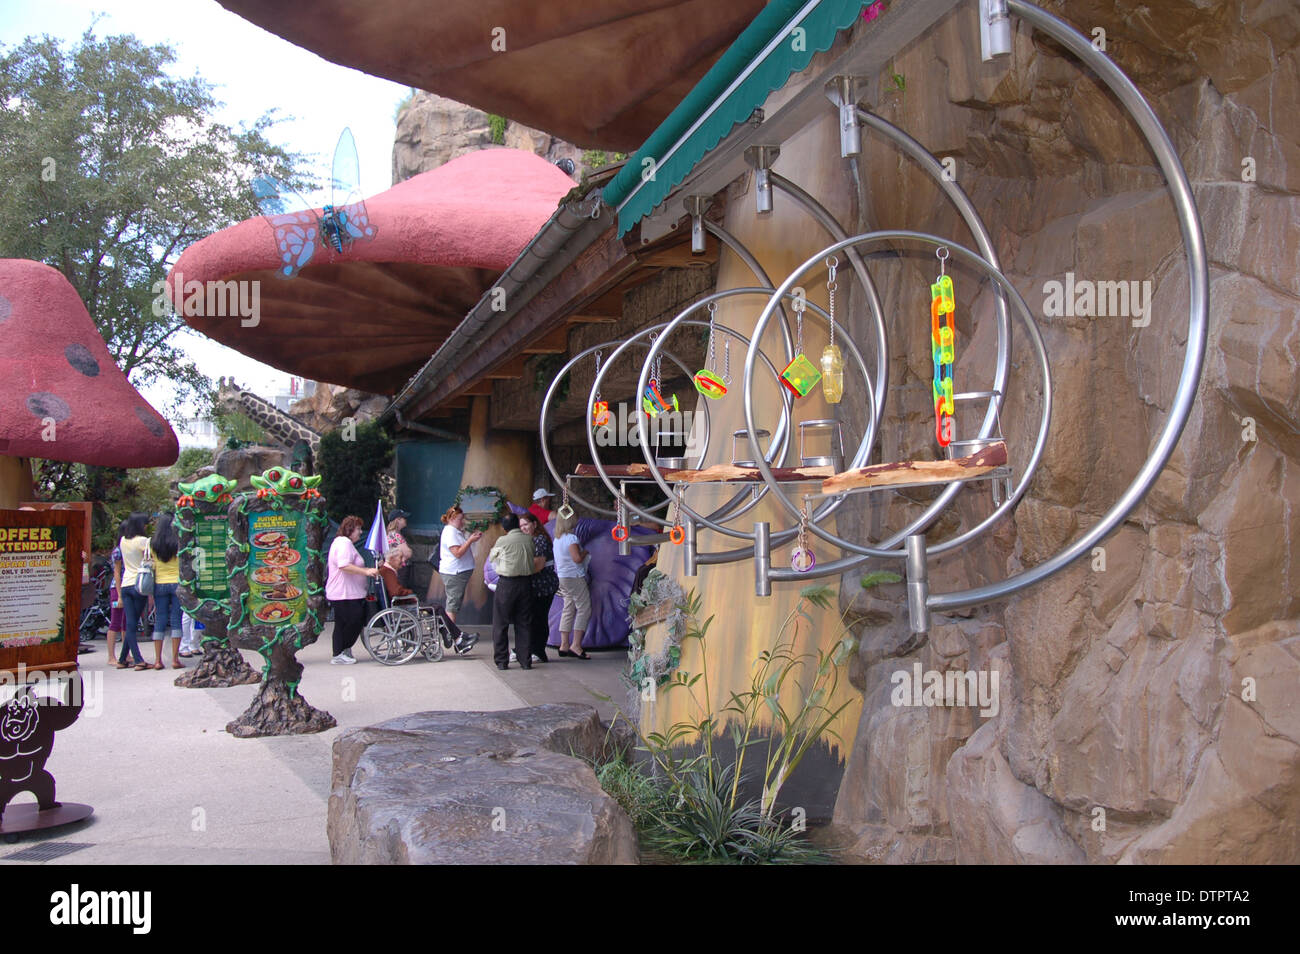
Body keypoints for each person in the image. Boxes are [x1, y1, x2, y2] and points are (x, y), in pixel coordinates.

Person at [378, 547, 478, 655]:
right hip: (403, 605)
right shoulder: (387, 572)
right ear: (392, 558)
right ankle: (458, 638)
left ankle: (456, 637)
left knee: (437, 608)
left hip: (403, 604)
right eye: (400, 558)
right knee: (437, 609)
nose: (403, 561)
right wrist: (409, 592)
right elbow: (395, 592)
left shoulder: (387, 571)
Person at [327, 515, 379, 665]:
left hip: (347, 592)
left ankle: (341, 650)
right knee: (354, 620)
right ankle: (341, 651)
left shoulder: (343, 543)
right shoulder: (344, 543)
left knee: (343, 622)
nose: (360, 532)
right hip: (344, 593)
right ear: (350, 529)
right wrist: (366, 572)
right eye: (358, 529)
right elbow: (344, 565)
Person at [487, 513, 535, 670]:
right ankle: (525, 660)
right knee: (524, 623)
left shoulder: (502, 540)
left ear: (505, 527)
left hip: (507, 584)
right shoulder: (529, 539)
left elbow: (493, 557)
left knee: (501, 623)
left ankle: (502, 661)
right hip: (526, 583)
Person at [517, 511, 557, 663]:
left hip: (543, 585)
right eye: (521, 526)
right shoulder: (531, 540)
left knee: (539, 618)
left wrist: (519, 571)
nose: (523, 528)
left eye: (526, 524)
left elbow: (538, 565)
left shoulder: (539, 540)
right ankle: (532, 648)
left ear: (534, 524)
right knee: (534, 618)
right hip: (536, 586)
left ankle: (538, 650)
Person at [553, 509, 592, 659]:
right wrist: (585, 552)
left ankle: (563, 644)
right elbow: (577, 558)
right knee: (584, 608)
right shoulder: (571, 538)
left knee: (568, 607)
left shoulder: (558, 538)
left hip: (563, 577)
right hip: (574, 576)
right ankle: (576, 645)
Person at [115, 512, 152, 670]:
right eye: (145, 524)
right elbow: (149, 561)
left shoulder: (123, 541)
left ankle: (122, 659)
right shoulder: (143, 541)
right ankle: (138, 660)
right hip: (139, 584)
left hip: (126, 584)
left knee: (131, 622)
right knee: (132, 624)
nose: (146, 526)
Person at [148, 513, 184, 670]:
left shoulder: (152, 543)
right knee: (176, 619)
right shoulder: (179, 541)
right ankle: (175, 659)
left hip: (159, 584)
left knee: (160, 620)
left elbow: (152, 565)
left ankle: (157, 660)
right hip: (176, 583)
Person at [438, 505, 482, 623]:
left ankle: (452, 632)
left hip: (458, 571)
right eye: (460, 519)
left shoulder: (455, 531)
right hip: (455, 572)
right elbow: (457, 553)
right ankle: (451, 634)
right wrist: (470, 540)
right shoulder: (450, 532)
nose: (462, 522)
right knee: (453, 604)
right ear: (452, 519)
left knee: (454, 603)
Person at [106, 526, 126, 664]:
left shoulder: (128, 548)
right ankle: (111, 656)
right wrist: (119, 595)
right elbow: (117, 574)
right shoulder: (118, 551)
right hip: (117, 588)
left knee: (126, 622)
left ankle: (126, 653)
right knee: (115, 622)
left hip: (127, 586)